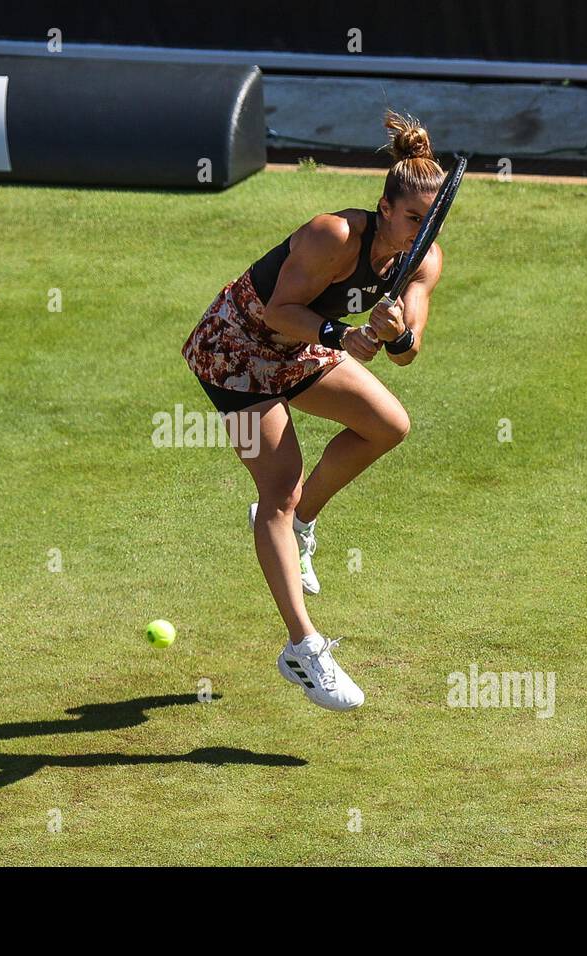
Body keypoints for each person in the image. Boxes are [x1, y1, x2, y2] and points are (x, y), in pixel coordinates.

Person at [181, 110, 448, 710]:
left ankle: (302, 523)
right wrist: (340, 331)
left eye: (430, 221)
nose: (422, 231)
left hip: (299, 350)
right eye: (412, 218)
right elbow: (279, 312)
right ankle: (303, 648)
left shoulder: (423, 262)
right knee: (276, 485)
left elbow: (406, 353)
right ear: (384, 209)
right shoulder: (334, 236)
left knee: (388, 426)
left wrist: (397, 330)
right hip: (236, 348)